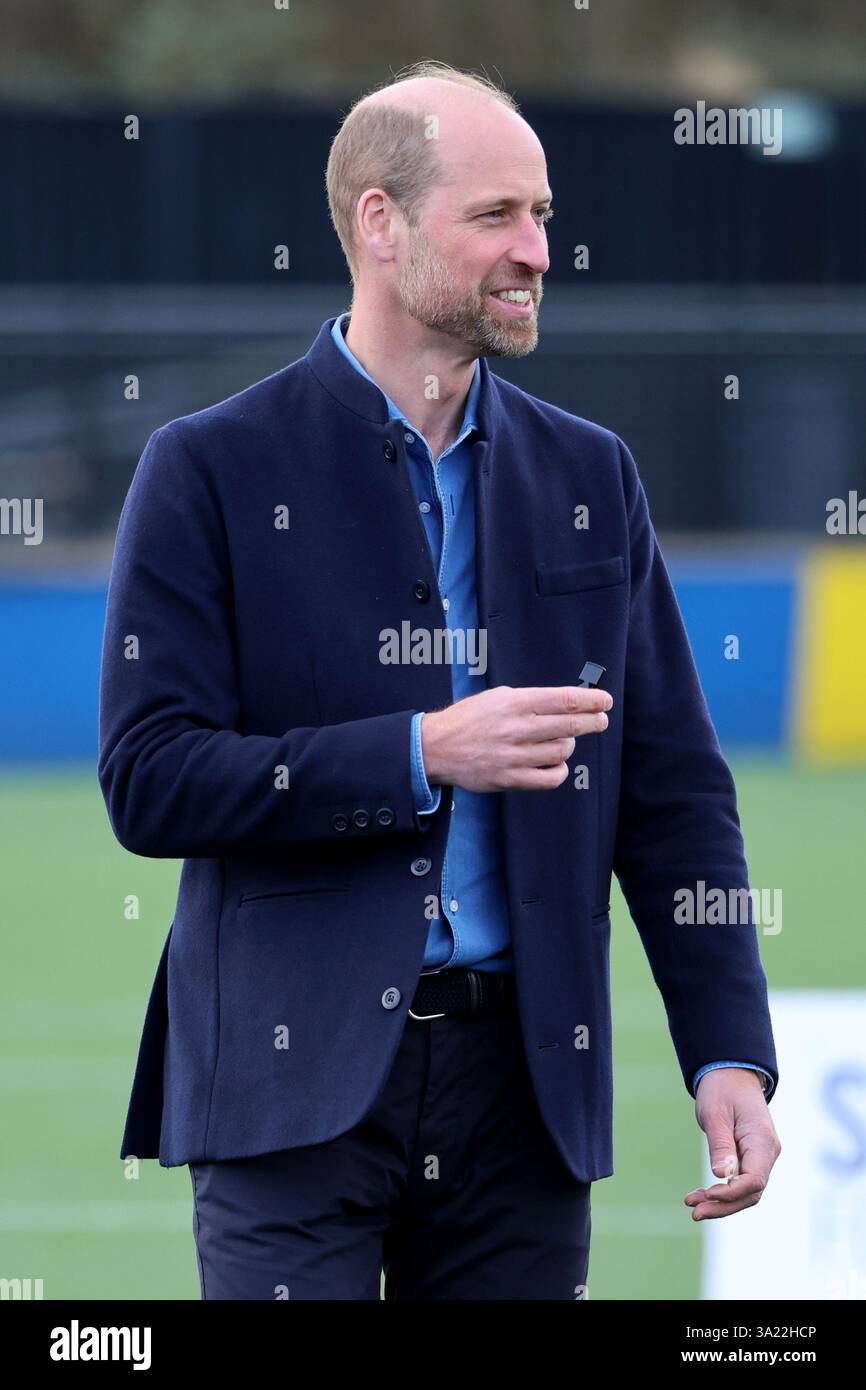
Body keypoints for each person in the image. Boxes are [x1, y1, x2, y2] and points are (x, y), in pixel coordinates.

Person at [98, 60, 780, 1301]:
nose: (536, 252)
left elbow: (674, 792)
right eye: (497, 217)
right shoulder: (205, 468)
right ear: (379, 220)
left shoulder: (593, 474)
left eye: (544, 217)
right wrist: (419, 751)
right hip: (283, 1098)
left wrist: (728, 1053)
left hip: (524, 1107)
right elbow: (150, 780)